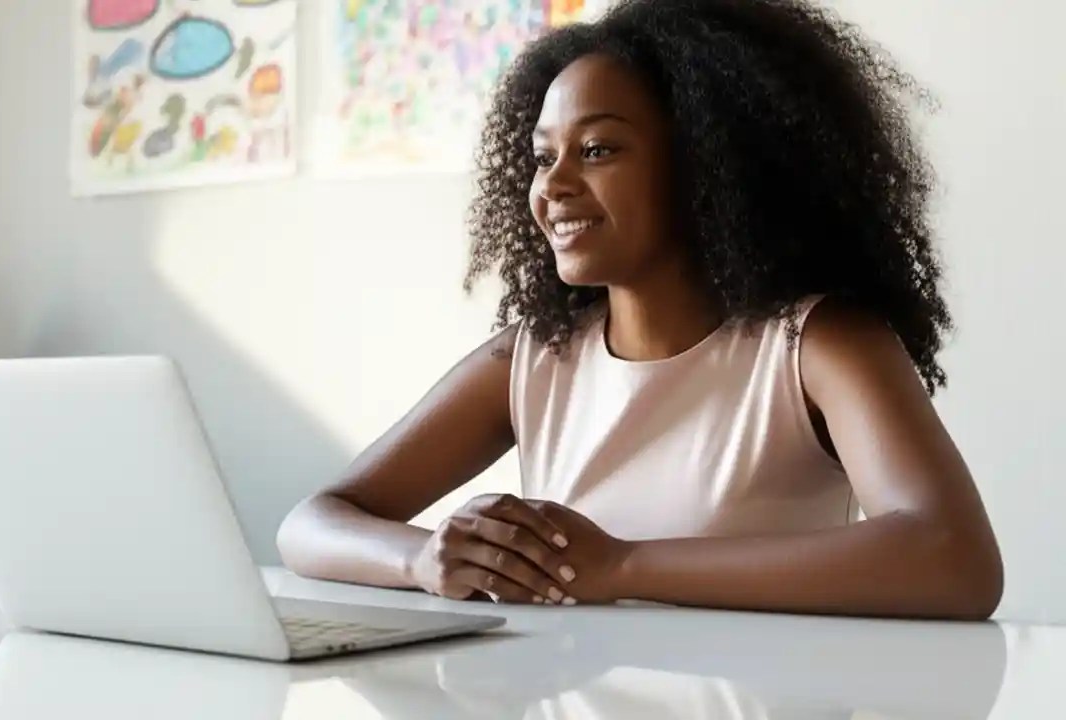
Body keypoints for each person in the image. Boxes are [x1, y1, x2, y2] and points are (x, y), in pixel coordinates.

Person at [277, 0, 1004, 620]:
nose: (553, 185)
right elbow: (310, 525)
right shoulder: (534, 357)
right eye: (541, 156)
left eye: (596, 149)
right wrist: (425, 560)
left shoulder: (818, 344)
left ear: (711, 165)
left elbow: (955, 558)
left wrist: (623, 568)